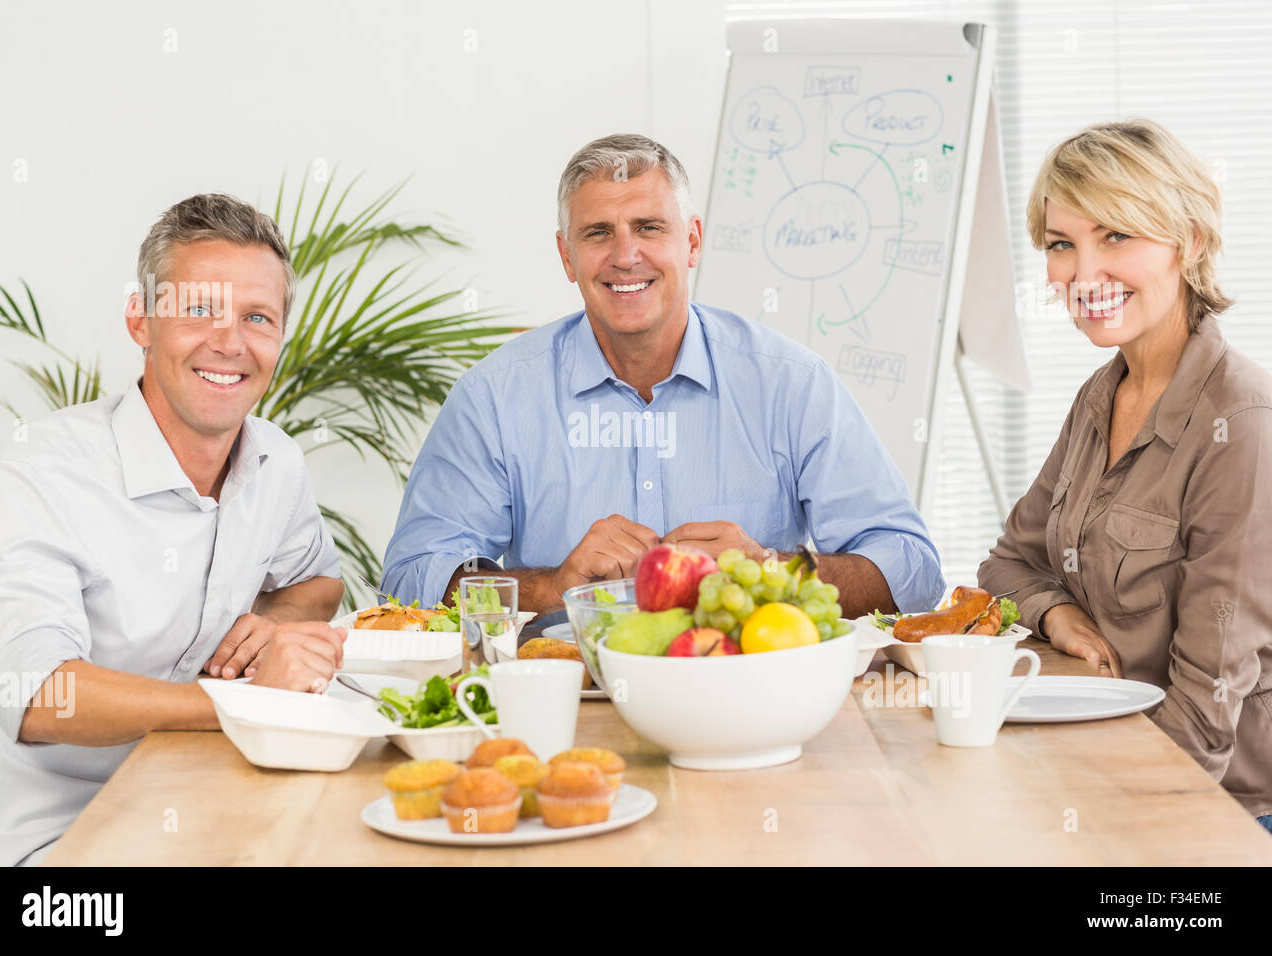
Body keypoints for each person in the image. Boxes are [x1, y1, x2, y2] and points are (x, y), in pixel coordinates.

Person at [383, 134, 945, 619]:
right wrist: (548, 588)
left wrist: (775, 574)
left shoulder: (792, 385)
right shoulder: (493, 398)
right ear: (566, 256)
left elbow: (912, 570)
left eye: (649, 227)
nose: (626, 255)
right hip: (561, 696)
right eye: (598, 232)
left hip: (748, 697)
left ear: (693, 241)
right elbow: (414, 578)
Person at [0, 194, 348, 866]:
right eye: (200, 309)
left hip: (210, 804)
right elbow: (35, 695)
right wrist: (239, 701)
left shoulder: (275, 462)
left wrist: (274, 626)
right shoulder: (37, 473)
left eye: (257, 317)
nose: (230, 343)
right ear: (140, 319)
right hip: (56, 846)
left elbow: (318, 581)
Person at [977, 119, 1272, 832]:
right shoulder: (1102, 396)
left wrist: (1094, 828)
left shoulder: (1241, 423)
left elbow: (1206, 711)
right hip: (1108, 765)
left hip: (1218, 809)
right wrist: (1058, 612)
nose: (1082, 275)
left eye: (1116, 236)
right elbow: (1008, 564)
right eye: (1061, 245)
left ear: (1189, 243)